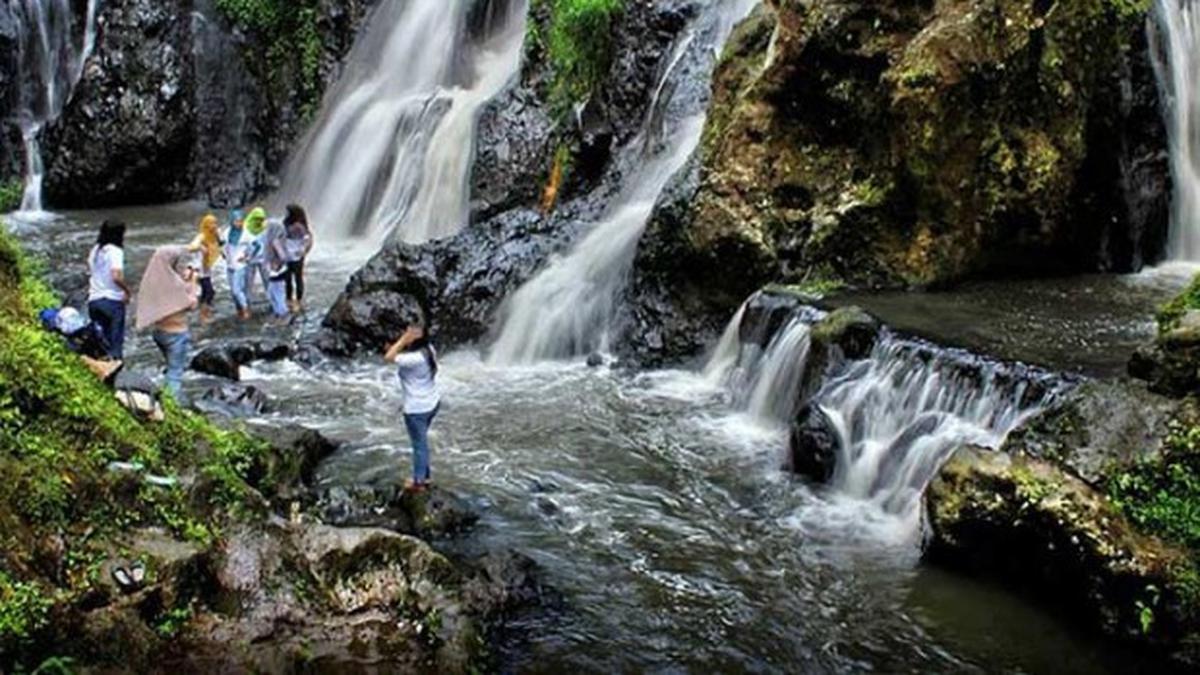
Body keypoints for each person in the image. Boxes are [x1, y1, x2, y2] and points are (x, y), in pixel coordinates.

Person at [136, 246, 198, 399]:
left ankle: (165, 395)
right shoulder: (175, 283)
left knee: (170, 368)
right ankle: (173, 405)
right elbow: (191, 304)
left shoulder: (152, 281)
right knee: (175, 372)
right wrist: (193, 282)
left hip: (159, 332)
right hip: (176, 334)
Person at [384, 322, 440, 492]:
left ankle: (419, 482)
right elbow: (395, 354)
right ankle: (425, 476)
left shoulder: (414, 359)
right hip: (432, 402)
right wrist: (401, 344)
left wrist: (402, 341)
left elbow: (388, 358)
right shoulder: (429, 350)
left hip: (417, 409)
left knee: (419, 446)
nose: (405, 334)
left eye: (409, 333)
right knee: (421, 442)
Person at [87, 220, 132, 360]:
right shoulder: (115, 251)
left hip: (94, 300)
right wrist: (127, 291)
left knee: (102, 342)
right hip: (112, 301)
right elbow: (116, 276)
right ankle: (117, 374)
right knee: (115, 345)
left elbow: (89, 267)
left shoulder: (95, 250)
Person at [190, 214, 222, 324]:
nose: (214, 226)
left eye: (215, 223)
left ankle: (204, 313)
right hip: (198, 269)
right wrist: (200, 247)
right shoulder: (201, 236)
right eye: (211, 224)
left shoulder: (215, 235)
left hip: (207, 269)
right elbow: (191, 247)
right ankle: (203, 316)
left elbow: (221, 244)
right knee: (209, 292)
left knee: (208, 293)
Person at [282, 204, 313, 312]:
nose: (286, 214)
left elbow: (307, 239)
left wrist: (304, 251)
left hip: (296, 256)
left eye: (288, 212)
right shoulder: (286, 223)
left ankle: (298, 299)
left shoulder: (299, 226)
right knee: (288, 278)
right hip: (287, 255)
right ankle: (289, 299)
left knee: (297, 278)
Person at [224, 210, 252, 320]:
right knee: (233, 291)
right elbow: (223, 245)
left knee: (237, 290)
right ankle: (239, 309)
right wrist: (224, 255)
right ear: (232, 221)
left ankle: (246, 310)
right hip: (230, 265)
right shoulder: (227, 232)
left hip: (240, 266)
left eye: (241, 221)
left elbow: (257, 246)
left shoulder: (246, 233)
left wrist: (247, 257)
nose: (239, 223)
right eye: (236, 221)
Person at [263, 219, 290, 321]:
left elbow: (282, 256)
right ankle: (279, 313)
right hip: (279, 270)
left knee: (276, 293)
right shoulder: (279, 239)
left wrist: (276, 264)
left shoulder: (275, 240)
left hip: (277, 271)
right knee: (273, 292)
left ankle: (282, 314)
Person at [243, 207, 270, 301]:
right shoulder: (245, 228)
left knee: (267, 279)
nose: (260, 221)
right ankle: (247, 300)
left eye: (262, 219)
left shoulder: (265, 228)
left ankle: (271, 298)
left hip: (263, 258)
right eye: (257, 219)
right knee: (248, 282)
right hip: (249, 259)